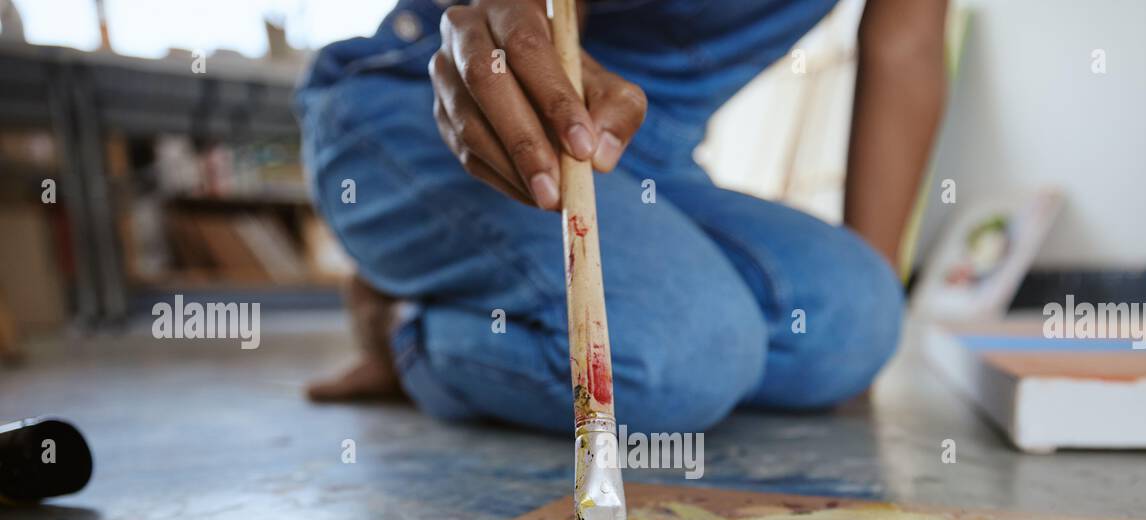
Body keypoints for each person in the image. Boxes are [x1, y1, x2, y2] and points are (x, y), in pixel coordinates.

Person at [298, 0, 947, 433]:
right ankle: (405, 327)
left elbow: (907, 47)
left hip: (647, 152)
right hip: (434, 103)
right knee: (678, 362)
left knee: (858, 322)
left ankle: (507, 295)